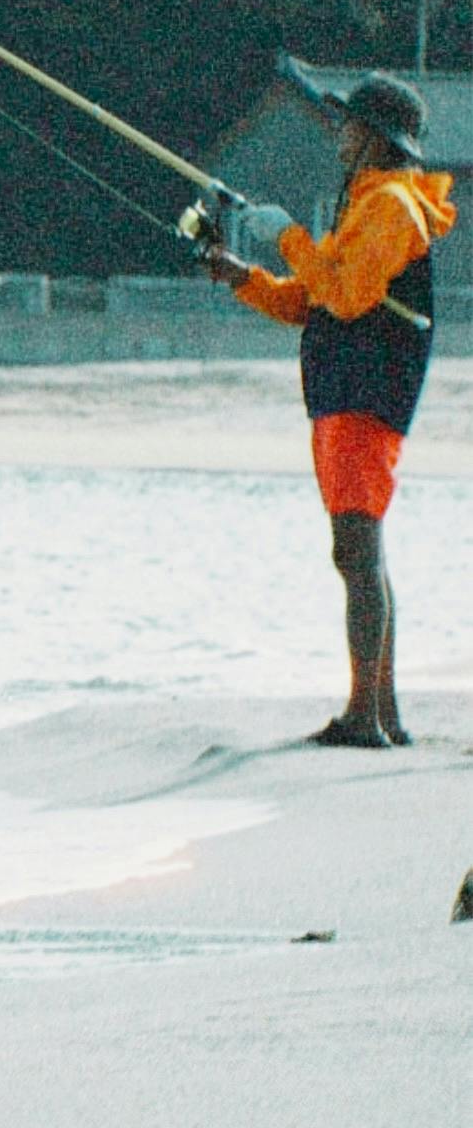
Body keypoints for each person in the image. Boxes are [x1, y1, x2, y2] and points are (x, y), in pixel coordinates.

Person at [200, 69, 455, 746]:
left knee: (357, 551)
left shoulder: (393, 205)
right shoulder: (370, 201)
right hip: (346, 394)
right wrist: (243, 276)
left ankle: (364, 717)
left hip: (364, 398)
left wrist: (288, 236)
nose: (339, 133)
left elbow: (345, 297)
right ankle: (381, 714)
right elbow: (309, 300)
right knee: (360, 553)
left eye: (350, 123)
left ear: (377, 136)